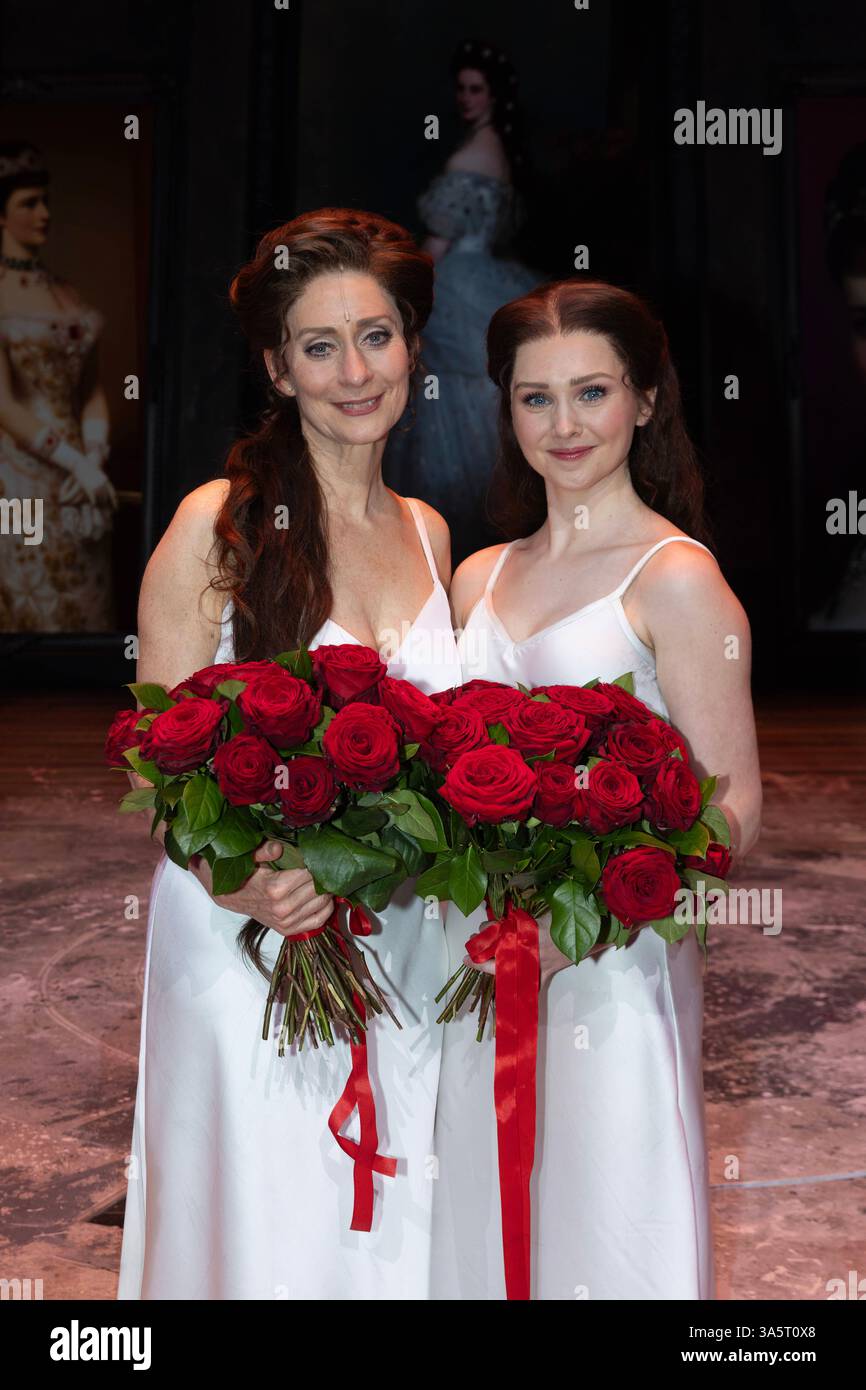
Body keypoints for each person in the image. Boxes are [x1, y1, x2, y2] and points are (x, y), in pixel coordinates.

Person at [116, 208, 462, 1299]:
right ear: (277, 365)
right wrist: (250, 884)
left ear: (412, 341)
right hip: (249, 940)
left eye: (376, 335)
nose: (354, 371)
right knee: (269, 1223)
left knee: (387, 1219)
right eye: (319, 346)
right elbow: (155, 766)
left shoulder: (429, 530)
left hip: (402, 935)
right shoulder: (214, 525)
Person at [431, 278, 763, 1300]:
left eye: (591, 392)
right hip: (471, 956)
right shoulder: (476, 574)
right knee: (477, 1199)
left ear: (646, 400)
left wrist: (593, 856)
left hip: (610, 960)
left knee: (605, 1208)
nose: (563, 424)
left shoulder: (675, 577)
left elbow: (733, 812)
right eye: (534, 398)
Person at [384, 38, 540, 565]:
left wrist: (398, 282)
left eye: (476, 88)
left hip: (457, 279)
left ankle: (453, 540)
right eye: (461, 88)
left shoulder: (474, 151)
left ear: (496, 95)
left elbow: (436, 245)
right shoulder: (499, 149)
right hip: (485, 278)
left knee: (449, 391)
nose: (466, 98)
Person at [0, 141, 116, 631]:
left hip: (78, 480)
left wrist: (92, 458)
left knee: (82, 597)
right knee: (27, 601)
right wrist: (72, 459)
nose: (43, 213)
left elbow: (90, 389)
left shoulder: (66, 294)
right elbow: (3, 403)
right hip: (16, 476)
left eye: (44, 201)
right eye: (29, 203)